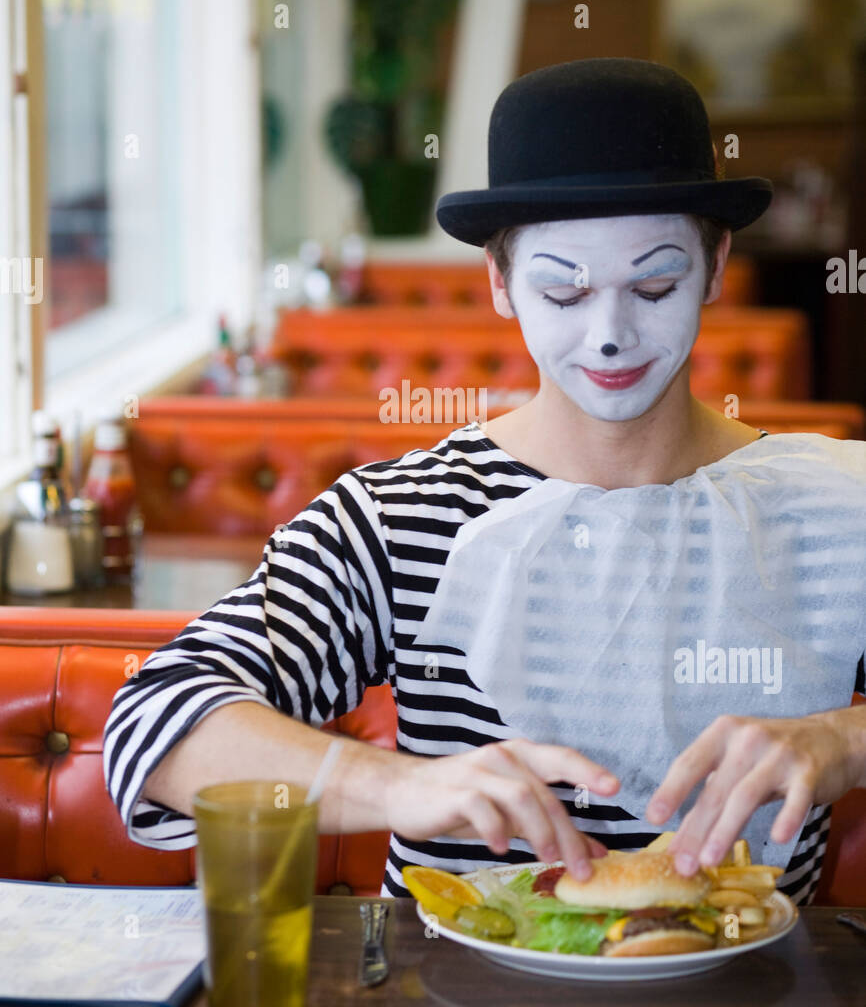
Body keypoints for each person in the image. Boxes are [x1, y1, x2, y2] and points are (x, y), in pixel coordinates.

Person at [103, 58, 866, 902]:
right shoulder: (397, 518)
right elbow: (153, 722)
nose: (610, 335)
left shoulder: (832, 509)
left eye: (655, 284)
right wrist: (402, 787)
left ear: (717, 264)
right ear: (500, 284)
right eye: (561, 293)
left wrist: (846, 739)